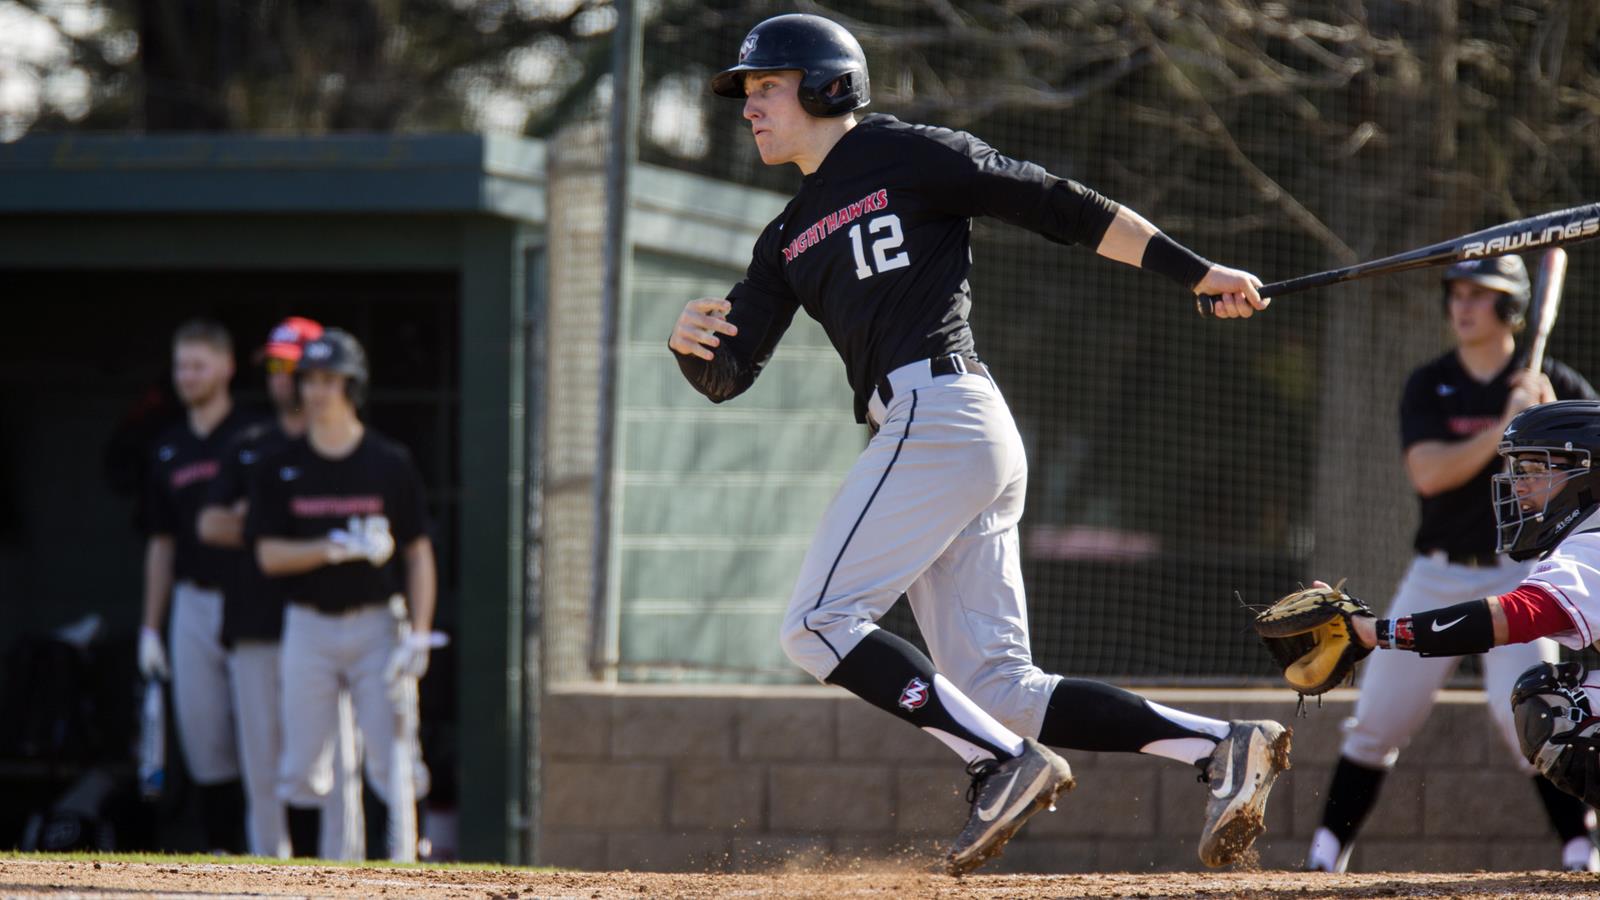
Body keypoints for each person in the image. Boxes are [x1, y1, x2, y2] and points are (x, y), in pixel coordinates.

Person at [669, 14, 1284, 874]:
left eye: (766, 87)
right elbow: (731, 373)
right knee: (1001, 690)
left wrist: (1198, 272)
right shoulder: (786, 235)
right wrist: (692, 344)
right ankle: (1222, 747)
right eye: (746, 93)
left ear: (826, 87)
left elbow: (1060, 205)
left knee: (815, 623)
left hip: (943, 413)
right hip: (934, 432)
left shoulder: (908, 152)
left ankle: (999, 762)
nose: (749, 107)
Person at [1306, 257, 1600, 874]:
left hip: (1525, 574)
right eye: (1457, 294)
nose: (1463, 306)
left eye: (1482, 295)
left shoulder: (1558, 386)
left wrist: (1546, 422)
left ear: (1512, 308)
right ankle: (1324, 857)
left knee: (1539, 714)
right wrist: (1507, 429)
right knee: (1376, 721)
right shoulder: (1431, 382)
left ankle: (1580, 853)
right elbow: (1429, 472)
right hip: (1437, 569)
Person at [1316, 399, 1600, 846]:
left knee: (1555, 709)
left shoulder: (1593, 547)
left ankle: (1581, 847)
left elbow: (1512, 618)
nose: (1520, 487)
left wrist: (1377, 632)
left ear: (1589, 474)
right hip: (1441, 565)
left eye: (1535, 469)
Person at [246, 329, 435, 860]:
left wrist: (418, 634)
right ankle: (309, 876)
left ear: (352, 385)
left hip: (378, 623)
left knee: (391, 754)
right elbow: (267, 555)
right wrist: (333, 548)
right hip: (309, 623)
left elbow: (418, 552)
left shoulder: (388, 461)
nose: (317, 391)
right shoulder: (281, 464)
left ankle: (405, 866)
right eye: (309, 380)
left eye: (329, 380)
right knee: (305, 764)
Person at [197, 316, 364, 859]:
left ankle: (343, 873)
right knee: (263, 759)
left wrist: (278, 529)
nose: (282, 380)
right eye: (272, 368)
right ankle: (268, 869)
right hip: (257, 618)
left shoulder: (347, 446)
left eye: (290, 368)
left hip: (327, 616)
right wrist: (270, 525)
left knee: (338, 757)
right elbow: (208, 524)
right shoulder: (250, 443)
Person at [138, 318, 258, 852]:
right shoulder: (168, 448)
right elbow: (160, 542)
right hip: (193, 599)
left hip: (252, 601)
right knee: (204, 735)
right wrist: (150, 628)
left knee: (260, 734)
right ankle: (220, 855)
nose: (188, 375)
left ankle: (275, 858)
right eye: (181, 365)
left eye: (199, 365)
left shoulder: (253, 436)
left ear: (227, 367)